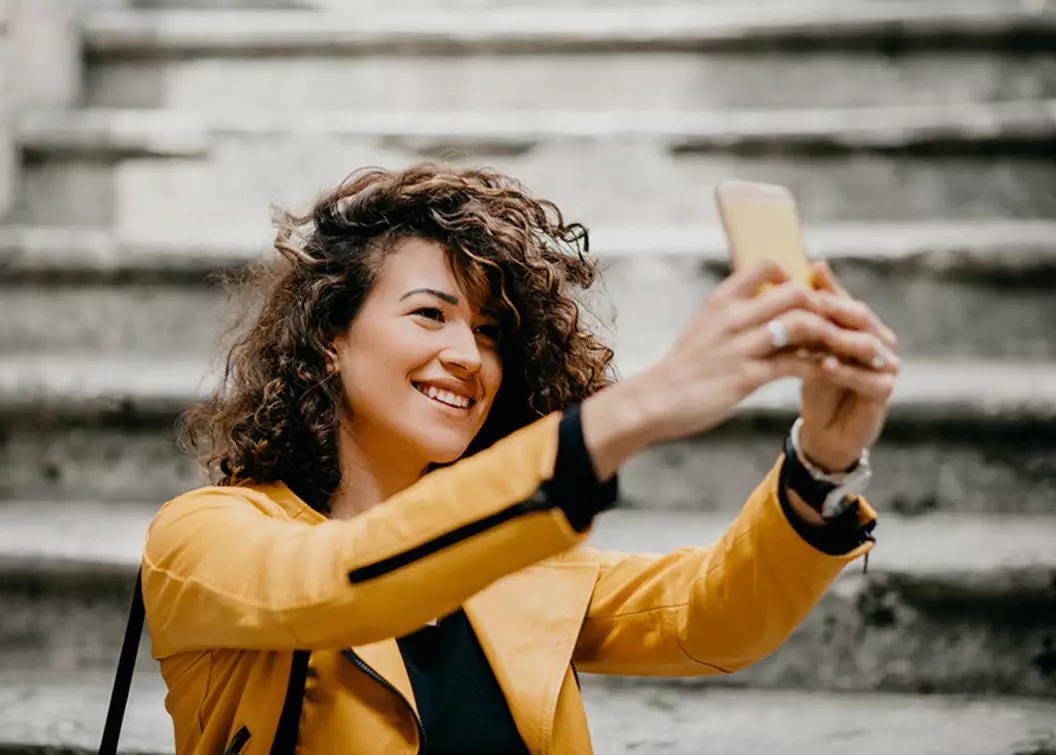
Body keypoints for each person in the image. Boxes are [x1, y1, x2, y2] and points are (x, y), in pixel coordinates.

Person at [143, 164, 899, 755]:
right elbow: (344, 583)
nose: (468, 355)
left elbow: (713, 617)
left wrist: (824, 459)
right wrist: (644, 405)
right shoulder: (203, 537)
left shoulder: (511, 553)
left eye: (493, 330)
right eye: (430, 313)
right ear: (330, 338)